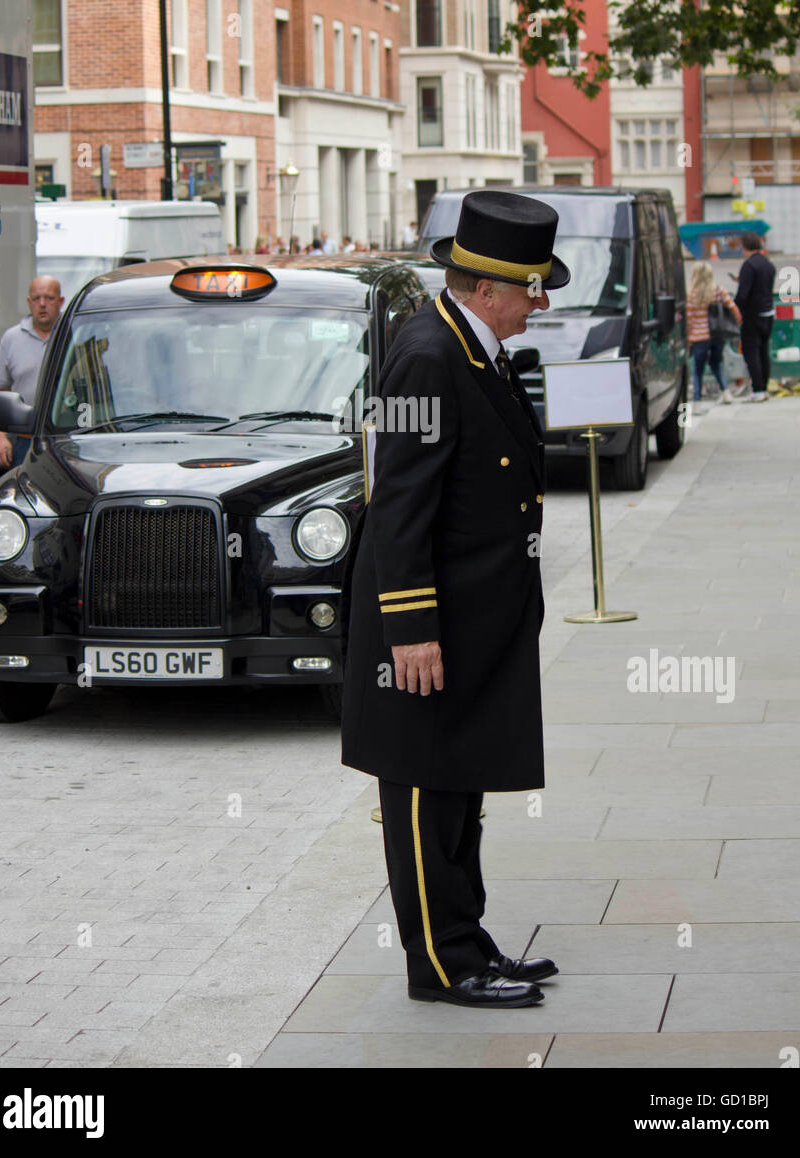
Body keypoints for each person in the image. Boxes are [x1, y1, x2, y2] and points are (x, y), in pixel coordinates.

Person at [340, 189, 571, 1008]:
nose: (538, 305)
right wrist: (410, 628)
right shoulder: (429, 354)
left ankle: (468, 941)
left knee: (458, 790)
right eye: (531, 290)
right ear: (485, 290)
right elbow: (397, 503)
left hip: (473, 621)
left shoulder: (472, 349)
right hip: (426, 626)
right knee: (424, 791)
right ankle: (440, 966)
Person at [0, 276, 64, 469]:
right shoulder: (12, 339)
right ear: (29, 303)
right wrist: (0, 438)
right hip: (23, 442)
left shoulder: (73, 334)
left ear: (61, 301)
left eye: (49, 298)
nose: (42, 304)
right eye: (37, 298)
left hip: (66, 441)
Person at [686, 263, 742, 404]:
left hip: (699, 338)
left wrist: (689, 338)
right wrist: (738, 322)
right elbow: (733, 308)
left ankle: (697, 401)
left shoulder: (692, 294)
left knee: (697, 370)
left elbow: (689, 319)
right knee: (716, 363)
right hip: (717, 335)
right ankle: (726, 392)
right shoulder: (718, 291)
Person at [735, 231, 776, 401]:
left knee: (751, 351)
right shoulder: (768, 264)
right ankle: (764, 388)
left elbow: (743, 295)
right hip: (768, 312)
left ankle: (757, 390)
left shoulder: (748, 265)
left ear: (745, 247)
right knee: (763, 351)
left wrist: (735, 309)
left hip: (753, 315)